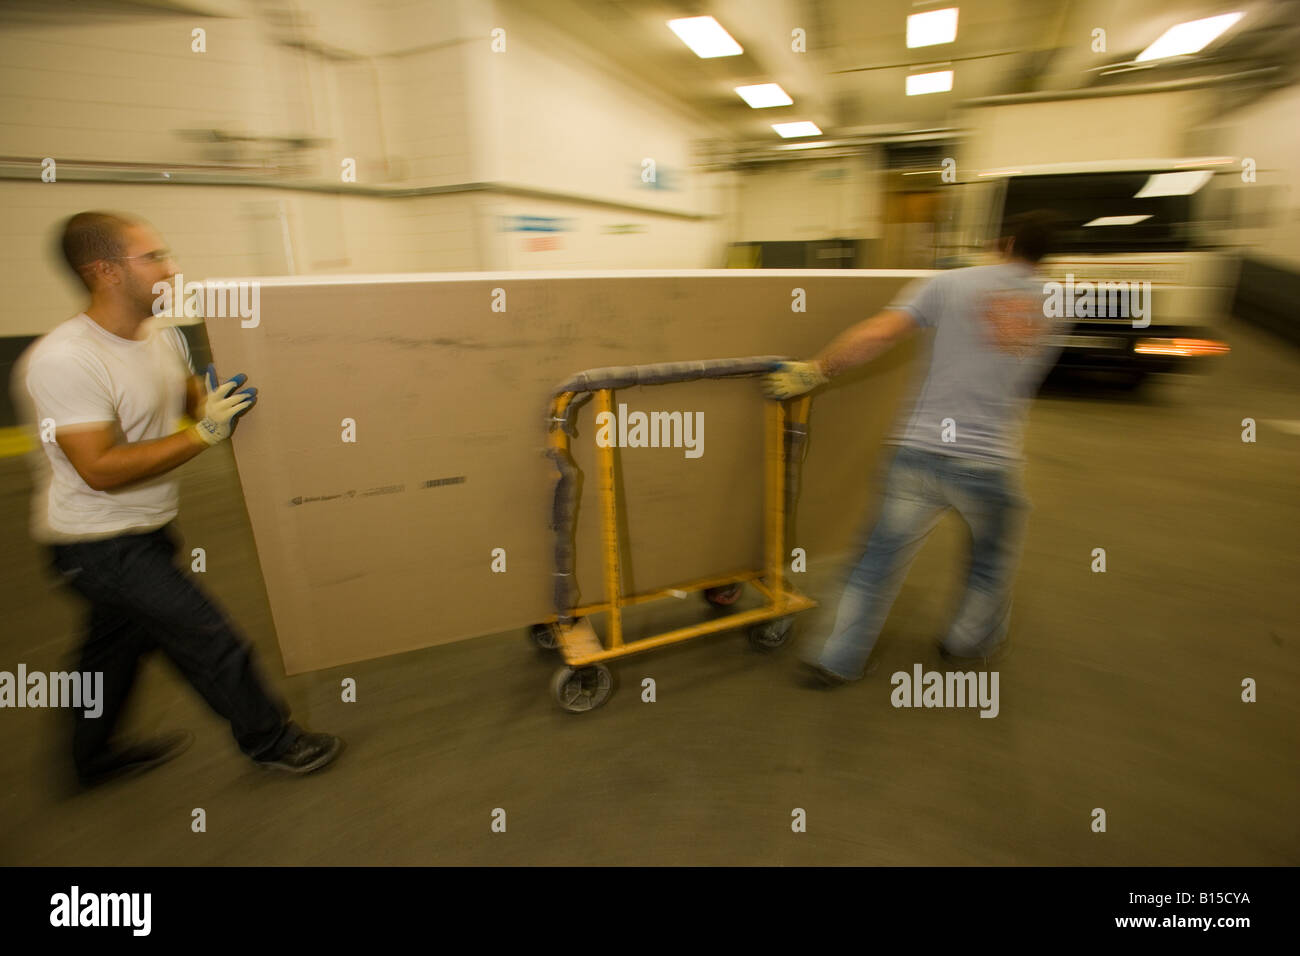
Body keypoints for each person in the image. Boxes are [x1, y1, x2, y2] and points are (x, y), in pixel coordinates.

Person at [14, 210, 342, 786]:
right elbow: (98, 469)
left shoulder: (158, 336)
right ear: (105, 272)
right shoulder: (65, 359)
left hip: (143, 528)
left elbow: (192, 402)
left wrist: (220, 404)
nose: (173, 267)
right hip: (97, 544)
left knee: (112, 652)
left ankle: (90, 759)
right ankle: (271, 739)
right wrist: (203, 434)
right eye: (155, 257)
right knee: (206, 636)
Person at [763, 210, 1064, 684]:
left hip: (919, 452)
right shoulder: (1059, 303)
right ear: (1045, 253)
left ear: (1002, 242)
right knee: (990, 561)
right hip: (991, 462)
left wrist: (816, 370)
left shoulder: (949, 284)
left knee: (875, 563)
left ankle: (834, 659)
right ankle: (966, 642)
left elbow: (879, 334)